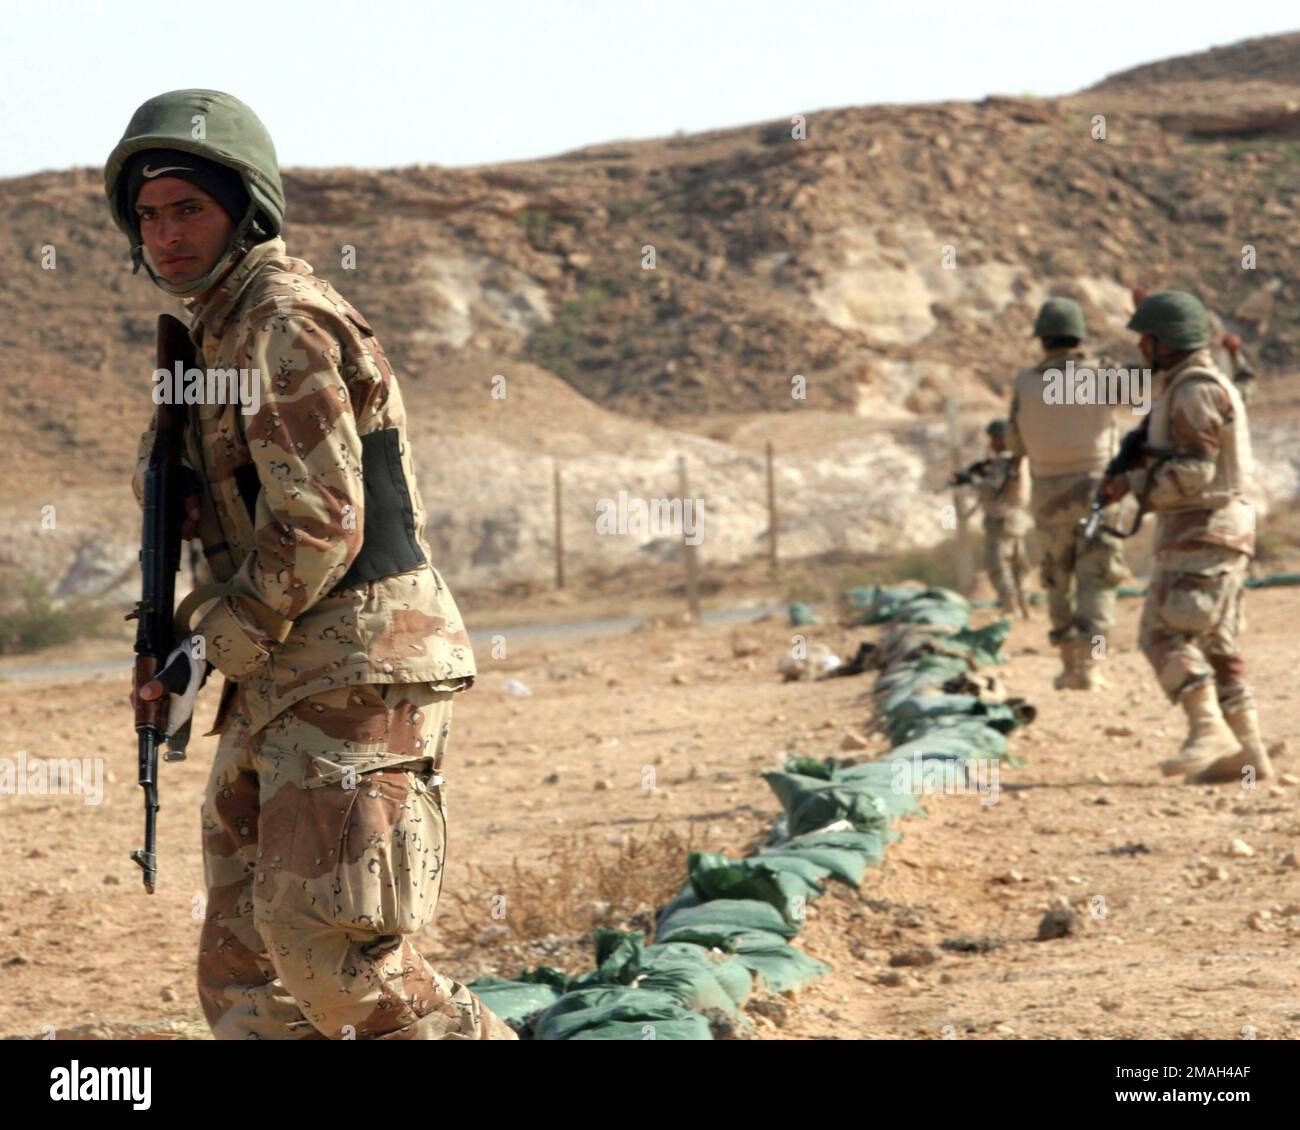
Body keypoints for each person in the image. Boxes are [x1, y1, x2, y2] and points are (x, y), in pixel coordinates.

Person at [109, 89, 516, 1039]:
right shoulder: (213, 332)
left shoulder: (278, 321)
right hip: (283, 669)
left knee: (333, 952)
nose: (164, 233)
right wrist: (180, 646)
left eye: (187, 210)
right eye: (149, 215)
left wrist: (216, 646)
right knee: (246, 967)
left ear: (245, 210)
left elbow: (323, 519)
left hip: (352, 665)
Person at [1102, 290, 1272, 784]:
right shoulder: (1187, 384)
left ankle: (1207, 729)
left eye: (1147, 339)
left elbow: (1196, 470)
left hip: (1202, 529)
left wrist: (1132, 484)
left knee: (1162, 635)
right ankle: (1249, 752)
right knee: (1217, 643)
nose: (1140, 349)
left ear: (1168, 342)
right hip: (1215, 530)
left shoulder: (1194, 389)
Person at [1006, 298, 1129, 690]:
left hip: (1046, 489)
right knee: (1097, 576)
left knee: (1057, 576)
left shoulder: (1024, 382)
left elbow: (1014, 441)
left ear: (1042, 341)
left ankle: (1067, 664)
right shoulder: (1100, 375)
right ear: (1078, 337)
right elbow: (1144, 396)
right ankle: (1092, 667)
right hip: (1098, 486)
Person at [953, 419, 1032, 616]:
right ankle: (1023, 605)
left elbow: (991, 489)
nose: (992, 442)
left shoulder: (1005, 460)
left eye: (994, 438)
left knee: (998, 565)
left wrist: (971, 480)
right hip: (1017, 518)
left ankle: (1010, 606)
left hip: (1001, 518)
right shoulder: (1018, 458)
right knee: (1018, 565)